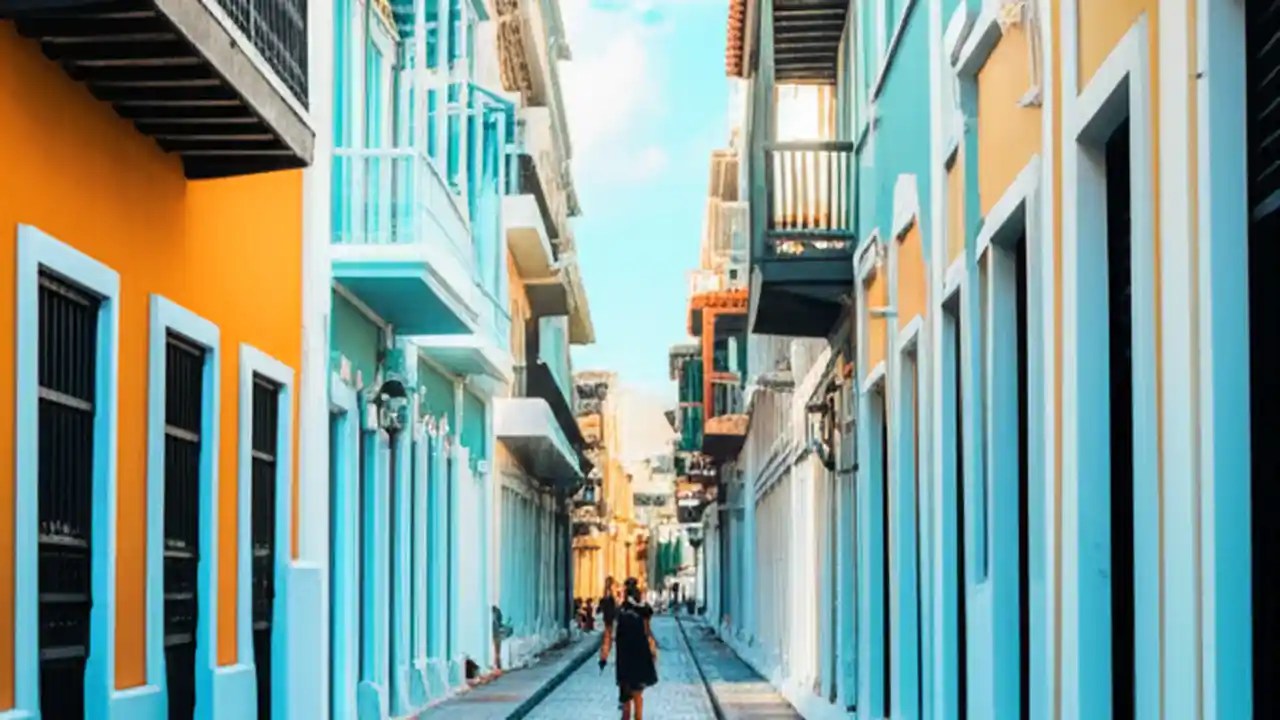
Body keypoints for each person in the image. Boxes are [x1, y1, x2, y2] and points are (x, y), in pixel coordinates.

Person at [599, 578, 657, 720]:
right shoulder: (644, 611)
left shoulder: (619, 612)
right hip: (640, 656)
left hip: (624, 659)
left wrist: (604, 655)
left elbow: (609, 634)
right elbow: (648, 633)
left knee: (626, 698)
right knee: (637, 696)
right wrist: (653, 652)